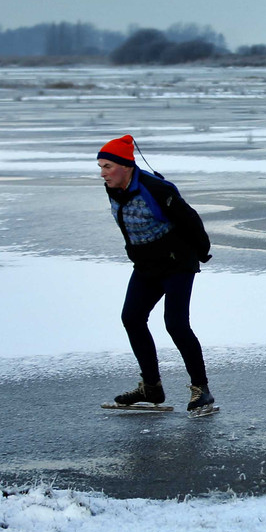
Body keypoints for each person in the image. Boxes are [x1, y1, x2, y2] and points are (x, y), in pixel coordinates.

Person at [97, 135, 216, 413]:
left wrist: (201, 251)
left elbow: (189, 218)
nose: (102, 173)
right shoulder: (113, 188)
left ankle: (202, 389)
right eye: (100, 167)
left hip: (177, 262)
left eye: (107, 166)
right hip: (147, 265)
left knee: (175, 324)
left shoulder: (156, 189)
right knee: (132, 318)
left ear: (126, 166)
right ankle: (151, 387)